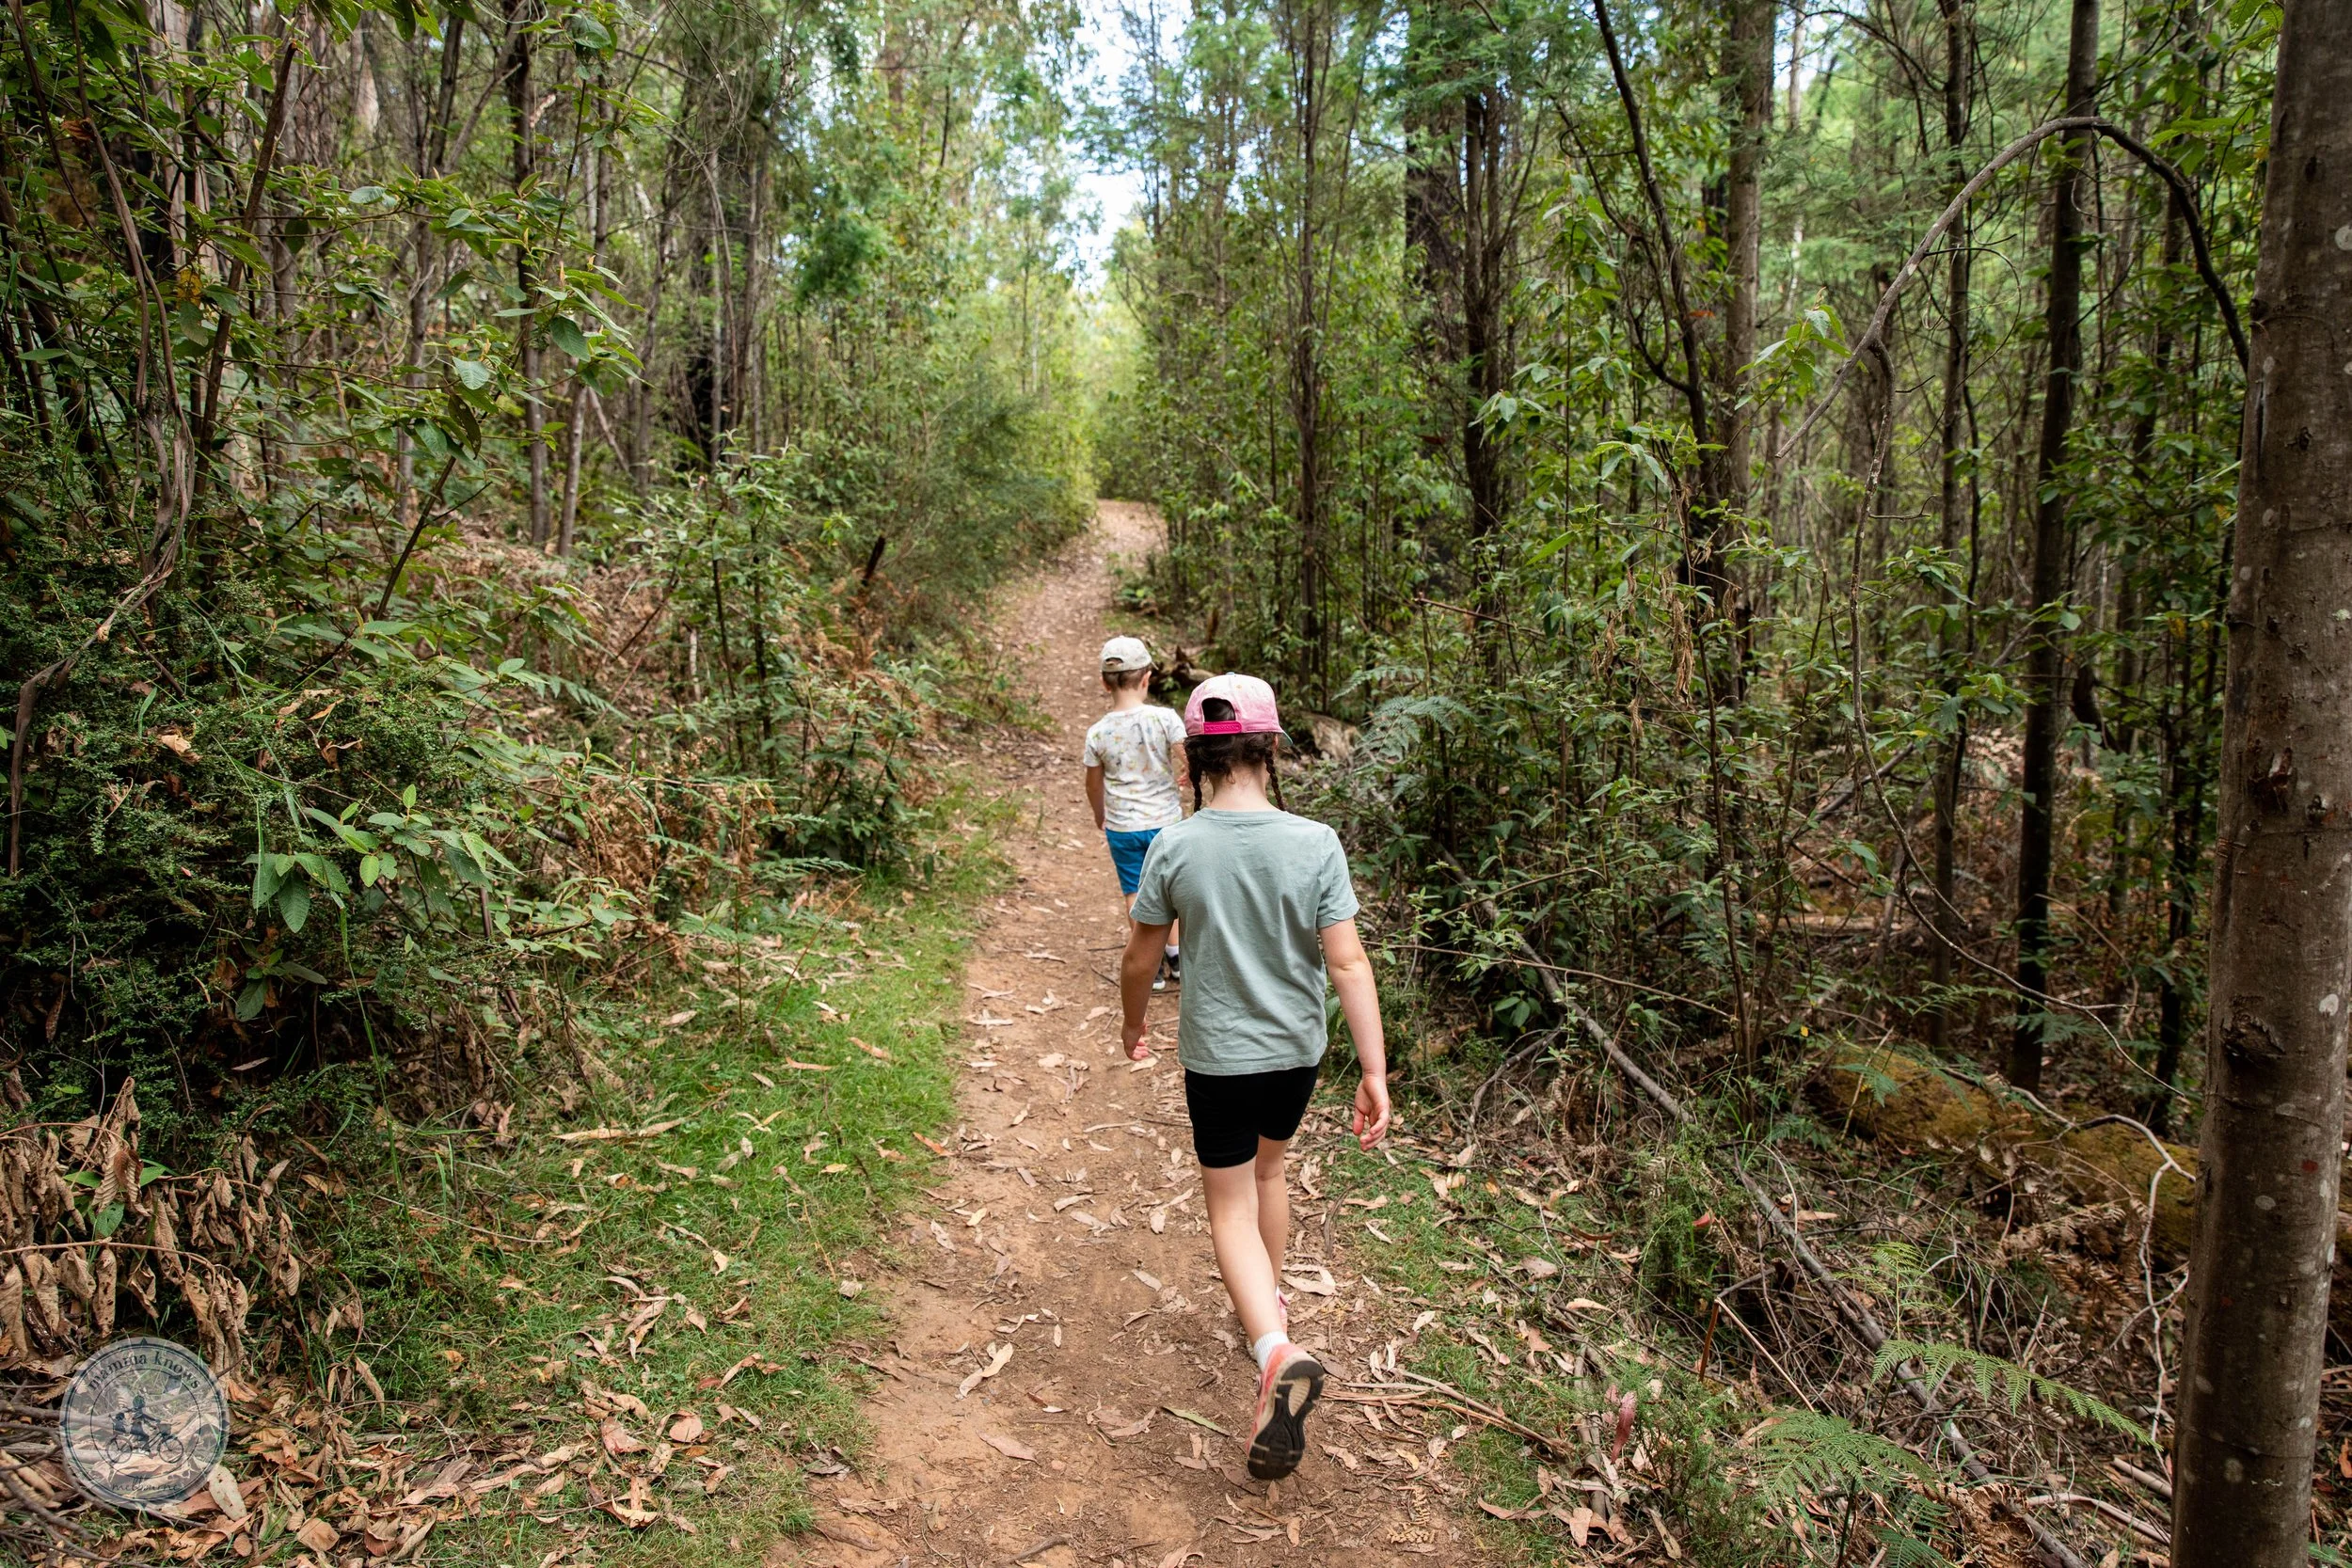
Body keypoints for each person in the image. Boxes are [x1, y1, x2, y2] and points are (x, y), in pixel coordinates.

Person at [1120, 671, 1393, 1482]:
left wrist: (1133, 1020)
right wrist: (1374, 1069)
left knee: (1228, 1198)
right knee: (1271, 1168)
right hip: (1298, 1054)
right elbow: (1347, 962)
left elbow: (1142, 955)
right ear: (1270, 750)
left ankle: (1274, 1347)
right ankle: (1263, 1314)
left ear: (1196, 759)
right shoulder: (1316, 843)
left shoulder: (1177, 844)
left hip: (1219, 1056)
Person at [1083, 635, 1187, 990]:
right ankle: (1176, 954)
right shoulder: (1164, 719)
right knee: (1171, 890)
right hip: (1167, 824)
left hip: (1123, 826)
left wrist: (1100, 814)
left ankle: (1152, 965)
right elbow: (1186, 754)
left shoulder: (1097, 733)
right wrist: (1190, 775)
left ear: (1104, 682)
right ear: (1146, 678)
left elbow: (1093, 784)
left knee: (1135, 890)